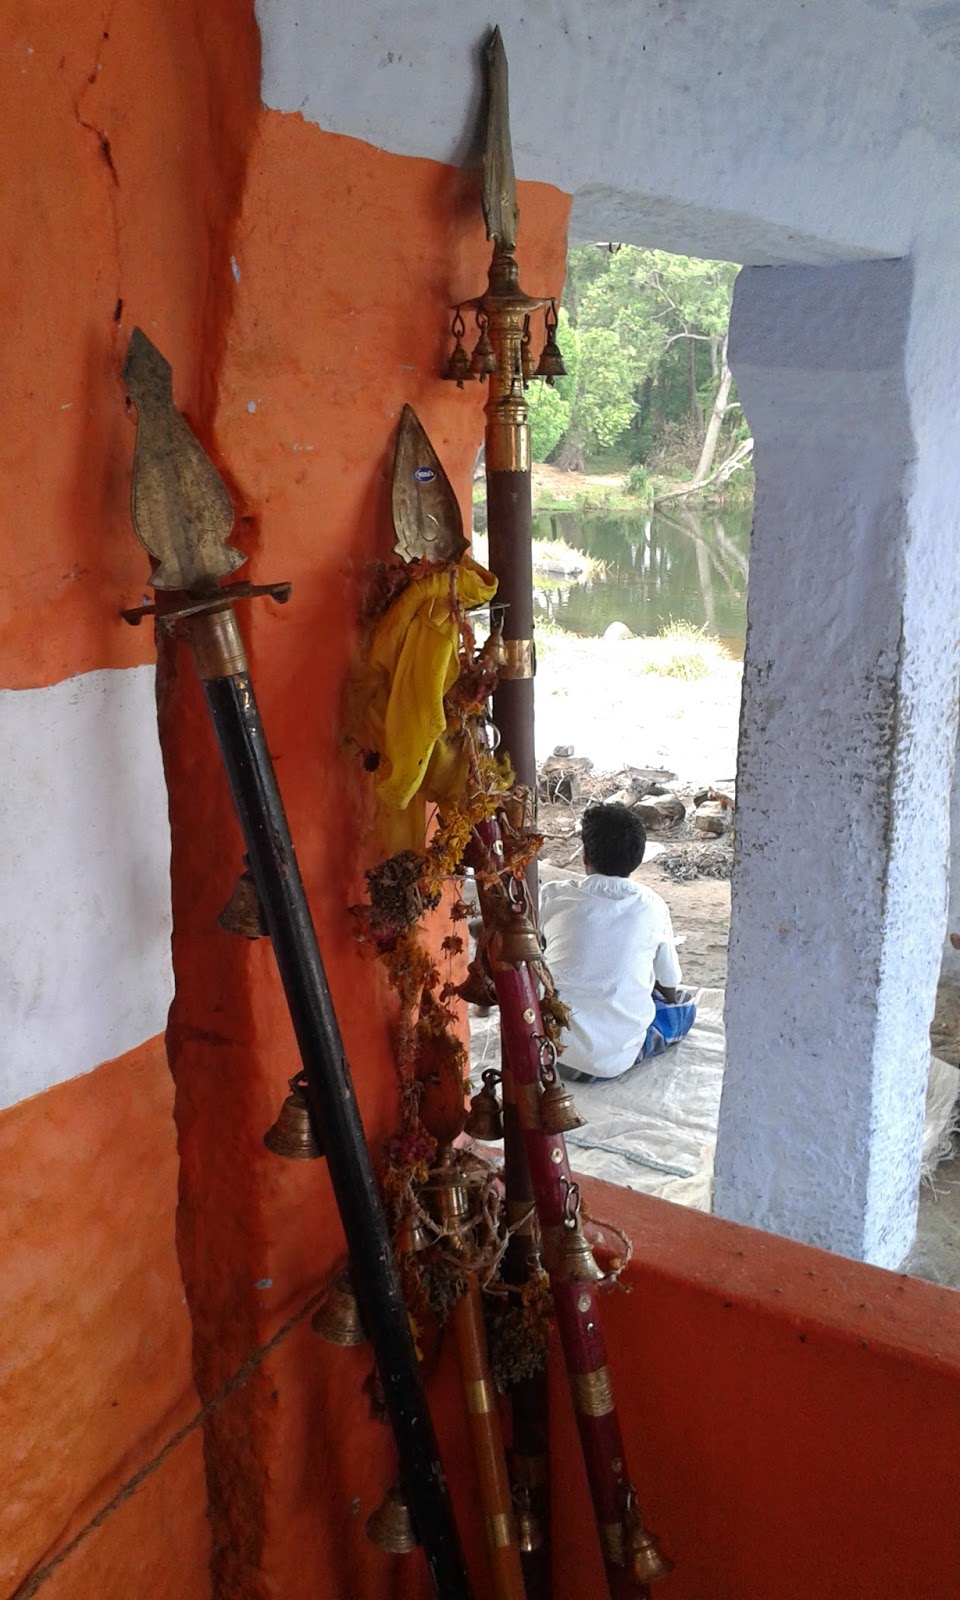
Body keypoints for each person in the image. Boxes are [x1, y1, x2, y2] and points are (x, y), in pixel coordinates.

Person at [540, 802, 696, 1081]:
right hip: (614, 1062)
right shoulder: (653, 906)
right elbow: (670, 987)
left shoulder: (552, 896)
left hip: (549, 1051)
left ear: (585, 855)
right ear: (638, 857)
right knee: (684, 1005)